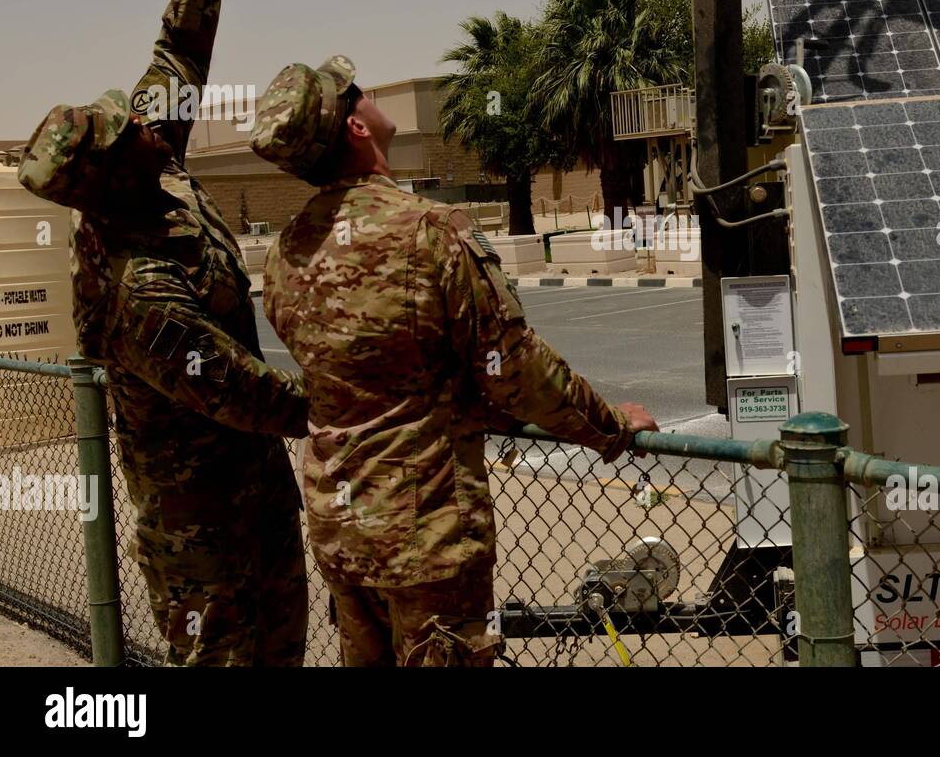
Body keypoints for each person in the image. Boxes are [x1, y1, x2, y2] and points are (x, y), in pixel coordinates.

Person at [250, 57, 660, 666]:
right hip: (426, 536)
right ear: (356, 128)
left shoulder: (287, 249)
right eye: (360, 93)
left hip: (341, 530)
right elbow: (512, 366)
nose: (371, 98)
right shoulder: (430, 230)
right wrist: (610, 426)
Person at [17, 0, 308, 666]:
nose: (149, 122)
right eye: (130, 131)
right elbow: (244, 391)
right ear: (108, 180)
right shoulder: (136, 289)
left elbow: (177, 46)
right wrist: (347, 402)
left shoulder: (151, 165)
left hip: (254, 498)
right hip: (201, 541)